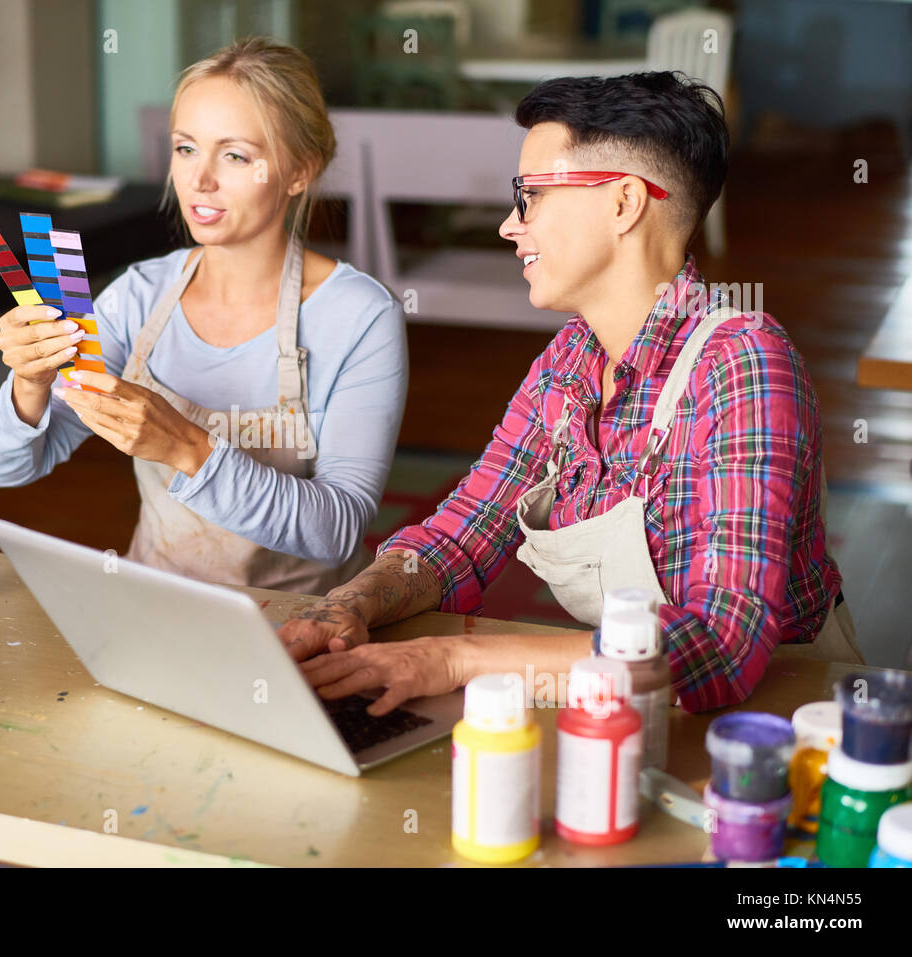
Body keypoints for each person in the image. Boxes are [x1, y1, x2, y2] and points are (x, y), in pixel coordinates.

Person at [280, 71, 863, 715]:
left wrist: (453, 658)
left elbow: (721, 647)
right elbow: (465, 534)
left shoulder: (743, 365)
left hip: (778, 733)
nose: (510, 225)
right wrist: (345, 607)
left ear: (623, 203)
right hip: (632, 715)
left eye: (529, 196)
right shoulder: (570, 360)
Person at [0, 38, 406, 593]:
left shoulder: (359, 316)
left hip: (301, 625)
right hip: (157, 605)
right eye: (185, 148)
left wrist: (186, 446)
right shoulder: (139, 296)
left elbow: (336, 531)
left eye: (234, 155)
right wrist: (29, 381)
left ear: (301, 170)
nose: (200, 180)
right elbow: (6, 469)